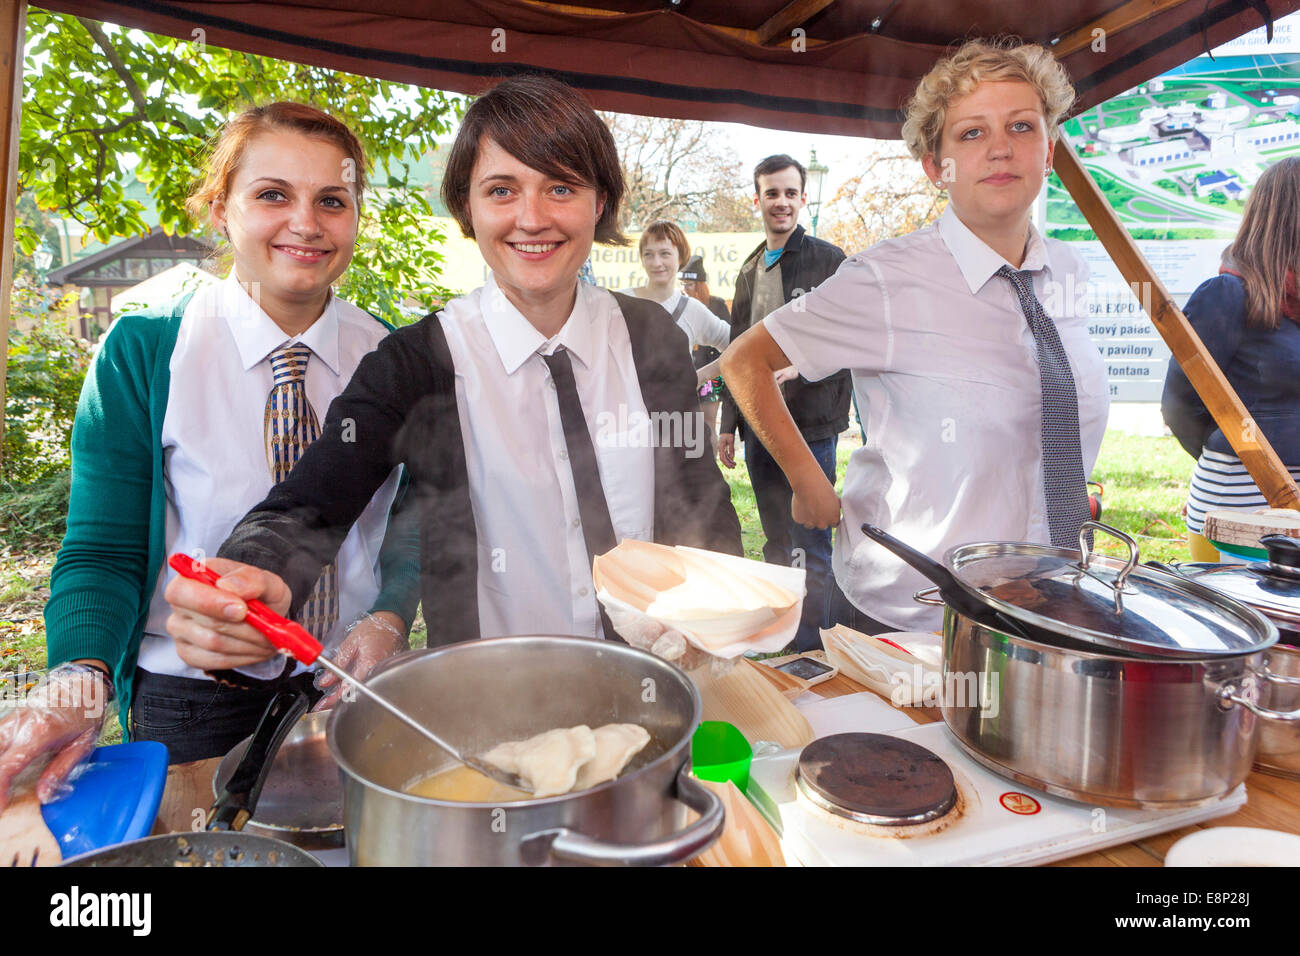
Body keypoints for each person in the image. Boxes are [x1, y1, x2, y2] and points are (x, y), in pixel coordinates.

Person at [161, 75, 743, 672]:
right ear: (468, 206)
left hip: (661, 679)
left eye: (561, 187)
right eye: (501, 190)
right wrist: (258, 567)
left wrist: (723, 624)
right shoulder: (417, 362)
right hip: (493, 700)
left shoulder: (654, 339)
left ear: (599, 203)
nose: (533, 218)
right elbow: (313, 498)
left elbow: (699, 495)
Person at [0, 103, 419, 807]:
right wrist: (78, 673)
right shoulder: (146, 352)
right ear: (221, 209)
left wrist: (391, 617)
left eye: (332, 201)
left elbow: (416, 525)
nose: (306, 223)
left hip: (345, 689)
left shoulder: (395, 358)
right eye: (272, 195)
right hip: (190, 704)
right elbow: (102, 549)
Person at [720, 38, 1108, 636]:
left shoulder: (1071, 271)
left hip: (1045, 603)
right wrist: (807, 480)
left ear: (1049, 150)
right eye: (971, 134)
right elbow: (745, 360)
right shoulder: (886, 279)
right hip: (913, 613)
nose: (1001, 148)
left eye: (1022, 127)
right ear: (935, 166)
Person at [719, 154, 849, 651]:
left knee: (812, 540)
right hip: (759, 430)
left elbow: (849, 339)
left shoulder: (830, 260)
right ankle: (782, 642)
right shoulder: (750, 270)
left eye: (790, 193)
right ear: (757, 200)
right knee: (776, 538)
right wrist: (729, 423)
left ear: (802, 198)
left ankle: (817, 645)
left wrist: (806, 362)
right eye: (772, 193)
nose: (781, 202)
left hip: (812, 428)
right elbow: (736, 348)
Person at [1161, 157, 1300, 560]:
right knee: (1252, 624)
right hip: (1236, 509)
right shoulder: (1226, 295)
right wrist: (1238, 452)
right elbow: (1180, 405)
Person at [680, 253, 734, 445]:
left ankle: (710, 469)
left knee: (708, 423)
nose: (684, 288)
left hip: (711, 375)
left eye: (689, 284)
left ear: (699, 285)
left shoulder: (716, 304)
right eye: (682, 283)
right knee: (686, 425)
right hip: (686, 374)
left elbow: (729, 342)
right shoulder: (680, 305)